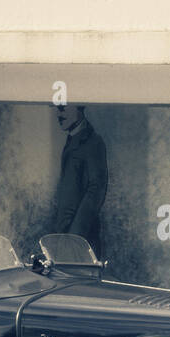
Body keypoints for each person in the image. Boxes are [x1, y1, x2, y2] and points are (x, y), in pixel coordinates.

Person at [51, 104, 108, 256]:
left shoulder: (93, 142)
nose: (58, 114)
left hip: (81, 240)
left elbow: (96, 190)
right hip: (64, 237)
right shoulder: (72, 139)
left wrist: (75, 237)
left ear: (79, 107)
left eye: (62, 108)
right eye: (56, 109)